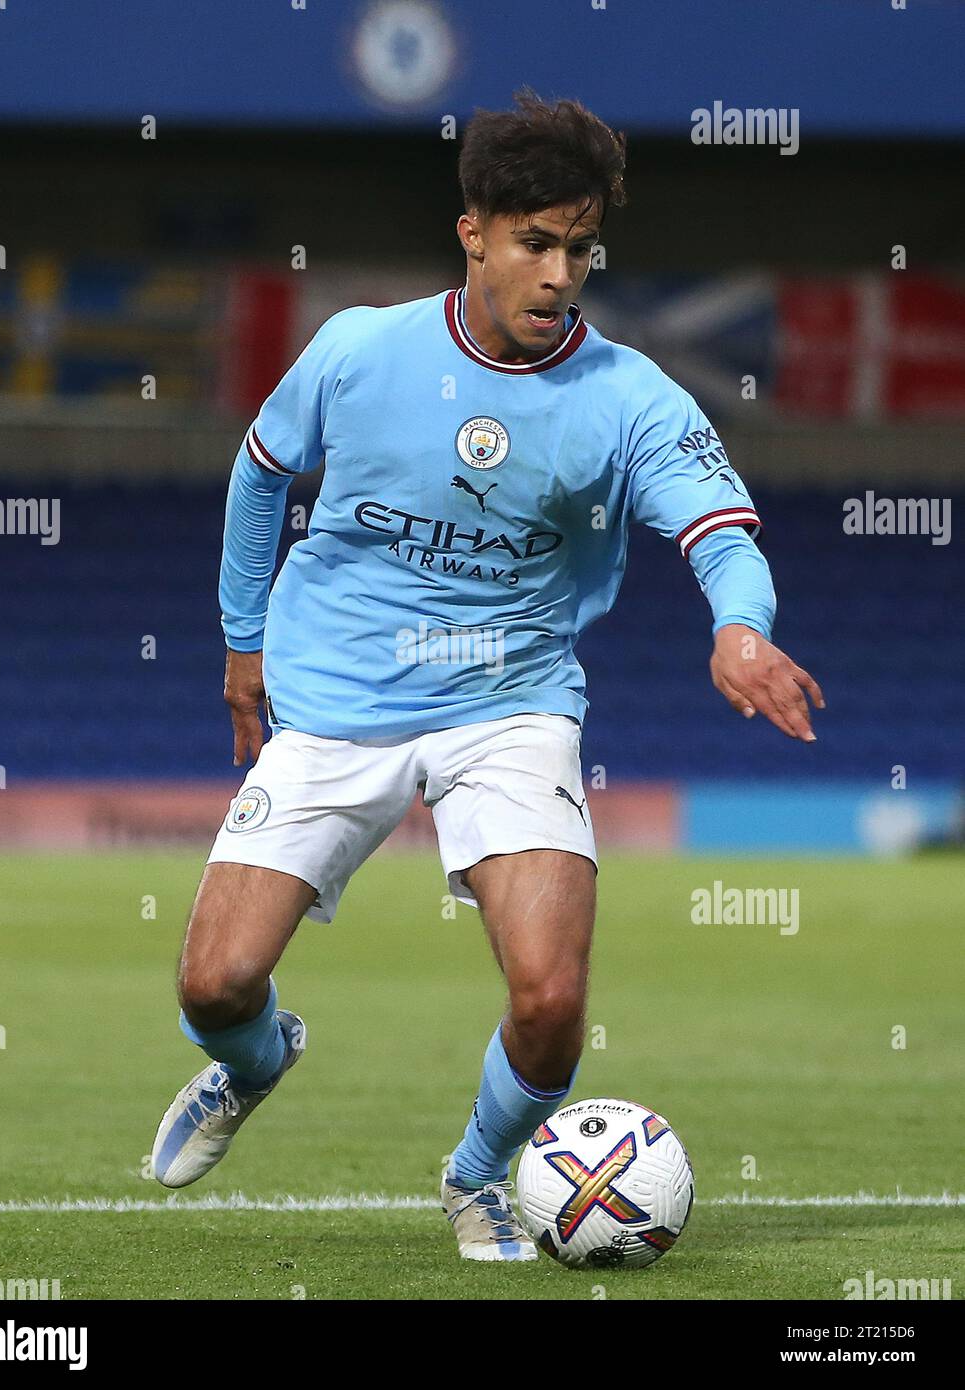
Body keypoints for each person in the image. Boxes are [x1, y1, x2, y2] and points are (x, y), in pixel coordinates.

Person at [151, 92, 824, 1262]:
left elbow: (720, 536)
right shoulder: (360, 351)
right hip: (340, 704)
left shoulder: (628, 398)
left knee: (553, 1003)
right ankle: (255, 1061)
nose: (561, 273)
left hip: (509, 707)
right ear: (475, 233)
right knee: (213, 986)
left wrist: (742, 629)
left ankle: (475, 1175)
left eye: (581, 247)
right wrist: (241, 639)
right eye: (536, 243)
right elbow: (261, 474)